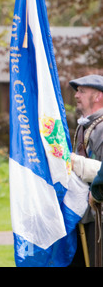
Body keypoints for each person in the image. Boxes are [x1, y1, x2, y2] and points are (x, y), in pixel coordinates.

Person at [69, 74, 103, 267]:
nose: (76, 95)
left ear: (98, 96)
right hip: (87, 215)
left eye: (82, 91)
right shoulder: (88, 125)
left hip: (99, 215)